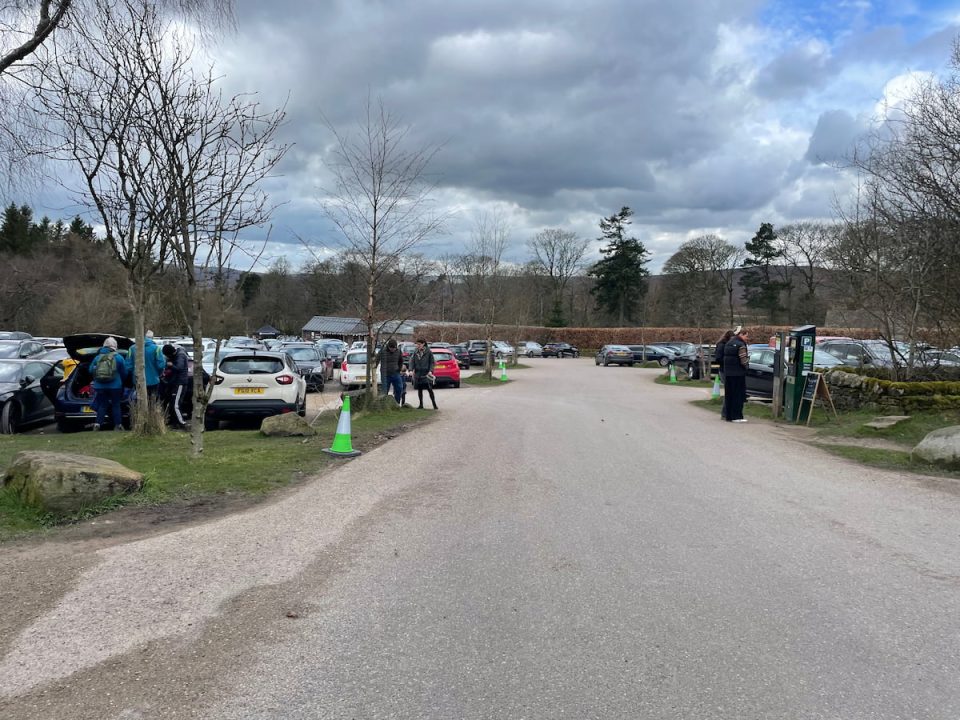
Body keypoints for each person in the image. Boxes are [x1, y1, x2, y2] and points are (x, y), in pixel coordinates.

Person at [89, 336, 128, 431]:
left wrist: (97, 379)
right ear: (115, 346)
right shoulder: (118, 357)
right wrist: (121, 381)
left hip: (99, 386)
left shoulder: (97, 358)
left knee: (103, 404)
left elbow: (90, 370)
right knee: (116, 404)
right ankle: (118, 425)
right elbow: (124, 372)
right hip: (115, 386)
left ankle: (97, 424)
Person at [129, 330, 166, 405]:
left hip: (137, 379)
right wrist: (159, 374)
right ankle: (151, 415)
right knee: (152, 401)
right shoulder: (156, 348)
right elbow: (161, 365)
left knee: (139, 401)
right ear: (152, 337)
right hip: (153, 380)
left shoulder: (132, 348)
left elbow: (128, 366)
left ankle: (140, 415)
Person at [722, 326, 750, 423]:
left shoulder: (728, 343)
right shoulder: (741, 345)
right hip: (738, 374)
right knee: (738, 395)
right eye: (746, 336)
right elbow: (743, 360)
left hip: (728, 373)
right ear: (741, 335)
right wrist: (747, 366)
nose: (747, 338)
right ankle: (737, 416)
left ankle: (728, 416)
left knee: (729, 395)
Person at [162, 343, 190, 429]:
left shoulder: (180, 356)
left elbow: (179, 368)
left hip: (180, 383)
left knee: (175, 404)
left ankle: (182, 423)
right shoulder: (178, 354)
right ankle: (175, 423)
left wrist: (171, 365)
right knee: (173, 403)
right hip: (176, 382)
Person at [410, 337, 437, 410]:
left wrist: (431, 371)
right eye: (417, 344)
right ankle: (421, 404)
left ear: (423, 344)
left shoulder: (428, 352)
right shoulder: (415, 352)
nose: (417, 346)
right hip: (418, 374)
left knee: (429, 389)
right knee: (419, 389)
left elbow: (432, 362)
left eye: (419, 344)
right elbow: (412, 361)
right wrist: (411, 370)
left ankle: (434, 404)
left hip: (426, 374)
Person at [714, 329, 735, 420]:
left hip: (727, 370)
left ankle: (726, 412)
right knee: (728, 391)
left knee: (729, 391)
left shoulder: (726, 345)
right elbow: (718, 358)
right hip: (724, 370)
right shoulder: (722, 345)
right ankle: (725, 412)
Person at [378, 338, 405, 405]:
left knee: (399, 388)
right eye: (391, 348)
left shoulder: (398, 351)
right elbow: (376, 360)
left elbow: (401, 361)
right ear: (388, 347)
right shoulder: (383, 351)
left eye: (394, 348)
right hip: (385, 374)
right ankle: (385, 406)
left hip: (396, 373)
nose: (393, 350)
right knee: (385, 391)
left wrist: (399, 369)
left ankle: (397, 404)